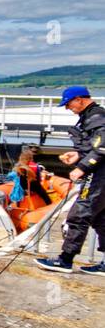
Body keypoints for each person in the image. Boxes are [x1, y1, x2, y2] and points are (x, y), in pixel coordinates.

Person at [38, 86, 105, 274]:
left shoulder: (97, 118)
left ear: (79, 99)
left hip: (98, 175)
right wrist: (77, 155)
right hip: (100, 174)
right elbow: (94, 146)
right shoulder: (92, 117)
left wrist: (82, 167)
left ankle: (65, 260)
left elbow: (102, 149)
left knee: (79, 214)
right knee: (100, 218)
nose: (69, 108)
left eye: (69, 104)